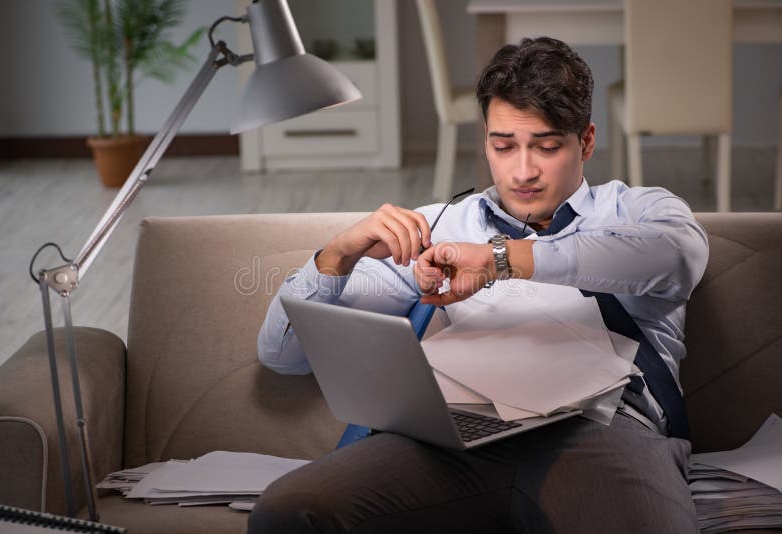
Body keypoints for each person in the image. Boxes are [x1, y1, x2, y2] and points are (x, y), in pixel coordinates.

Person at [249, 37, 708, 533]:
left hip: (604, 433)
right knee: (289, 511)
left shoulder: (637, 212)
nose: (523, 171)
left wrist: (498, 260)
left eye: (547, 146)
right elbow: (283, 355)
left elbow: (677, 258)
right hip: (450, 441)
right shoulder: (438, 227)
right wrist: (336, 256)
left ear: (587, 141)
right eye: (503, 146)